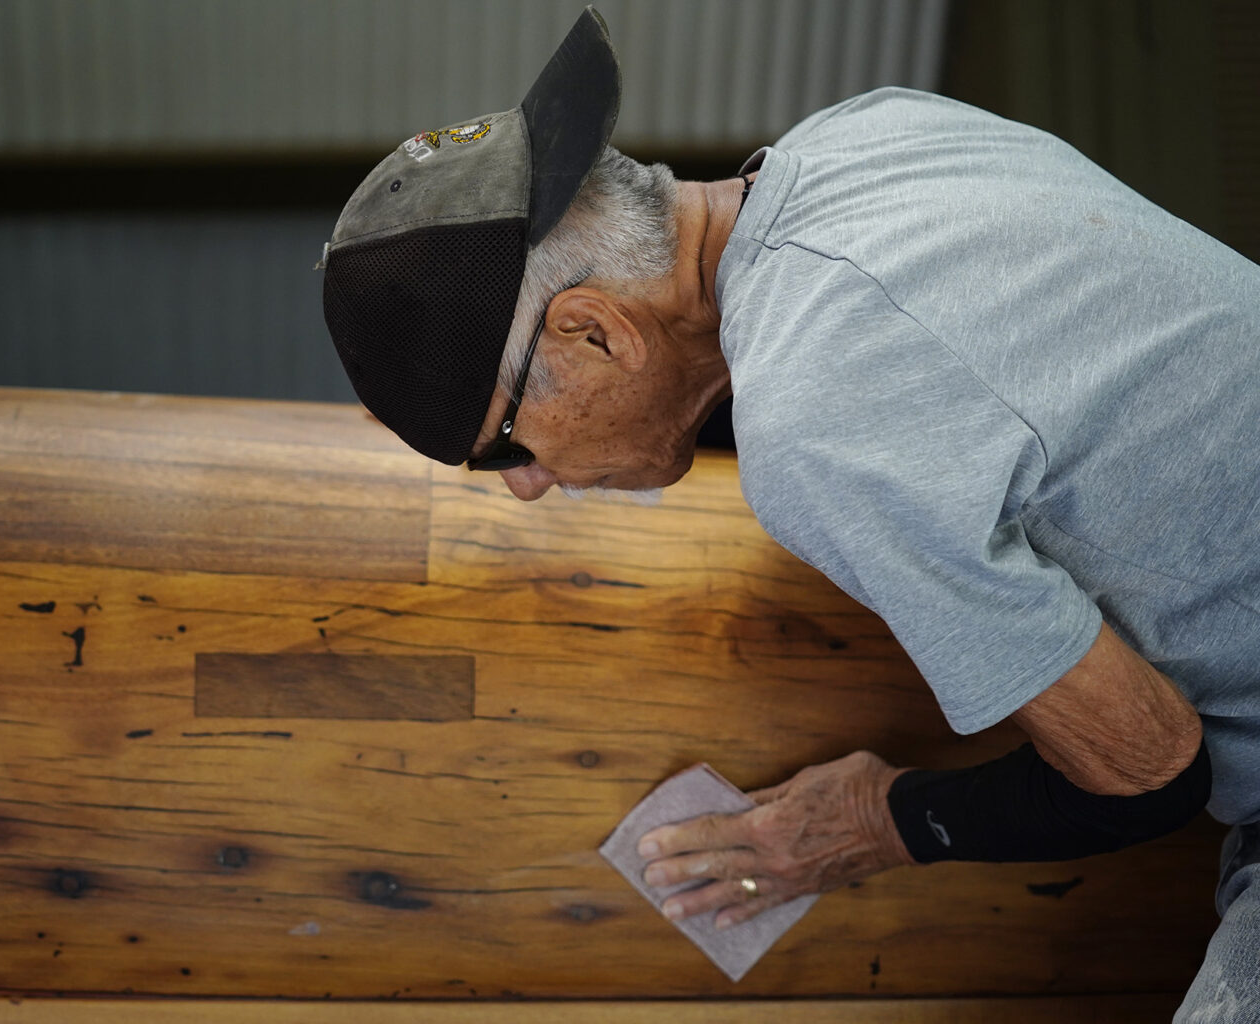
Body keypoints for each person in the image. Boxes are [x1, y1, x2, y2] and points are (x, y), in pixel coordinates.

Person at [319, 8, 1260, 1019]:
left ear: (595, 333)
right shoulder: (869, 132)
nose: (527, 484)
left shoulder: (815, 428)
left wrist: (874, 821)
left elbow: (1147, 772)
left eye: (506, 446)